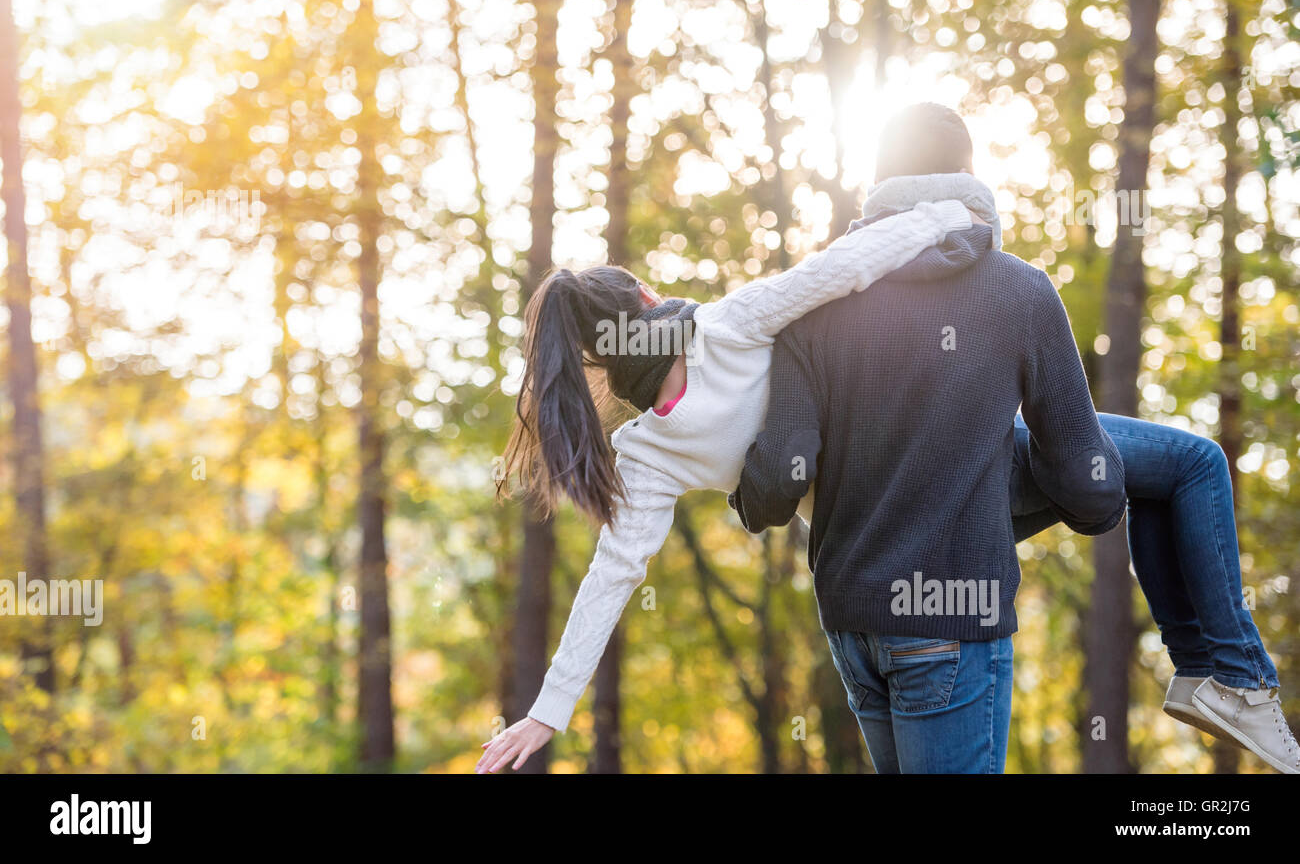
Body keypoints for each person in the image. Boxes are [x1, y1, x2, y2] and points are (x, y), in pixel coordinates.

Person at [732, 103, 1298, 774]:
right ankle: (1226, 674)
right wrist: (1093, 493)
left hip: (854, 624)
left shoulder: (813, 301)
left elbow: (777, 485)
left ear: (878, 185)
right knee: (1191, 463)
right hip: (950, 626)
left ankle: (1221, 675)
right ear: (966, 177)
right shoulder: (1016, 290)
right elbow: (1089, 493)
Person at [476, 196, 982, 772]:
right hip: (930, 464)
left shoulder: (647, 452)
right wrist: (942, 216)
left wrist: (547, 711)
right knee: (1098, 459)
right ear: (647, 298)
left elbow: (611, 576)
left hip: (861, 559)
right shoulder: (724, 326)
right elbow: (842, 266)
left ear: (597, 357)